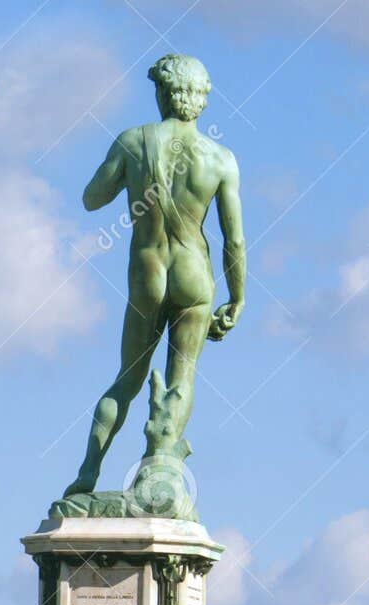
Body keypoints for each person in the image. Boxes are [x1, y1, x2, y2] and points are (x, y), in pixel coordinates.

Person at [65, 54, 245, 498]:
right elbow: (234, 240)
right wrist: (238, 298)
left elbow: (92, 198)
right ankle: (158, 472)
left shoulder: (132, 141)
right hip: (194, 273)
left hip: (148, 270)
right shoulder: (220, 159)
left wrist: (129, 174)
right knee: (182, 373)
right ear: (201, 101)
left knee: (127, 378)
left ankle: (88, 474)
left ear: (163, 94)